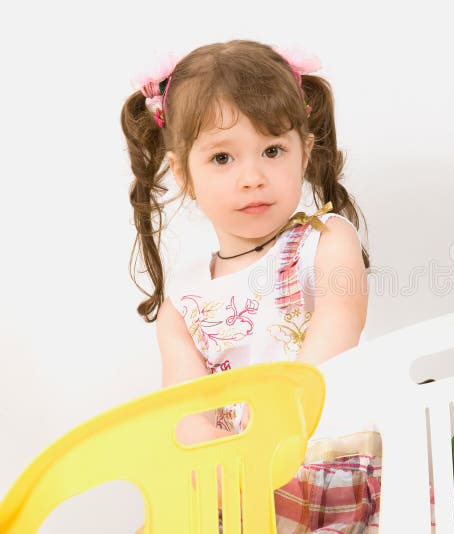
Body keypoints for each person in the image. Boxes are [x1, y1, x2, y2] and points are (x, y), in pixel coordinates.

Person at [122, 39, 377, 531]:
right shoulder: (182, 301)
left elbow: (331, 348)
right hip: (234, 481)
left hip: (321, 462)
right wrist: (223, 483)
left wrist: (270, 452)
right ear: (183, 172)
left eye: (273, 150)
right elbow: (187, 410)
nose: (253, 177)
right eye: (223, 159)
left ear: (305, 153)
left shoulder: (325, 243)